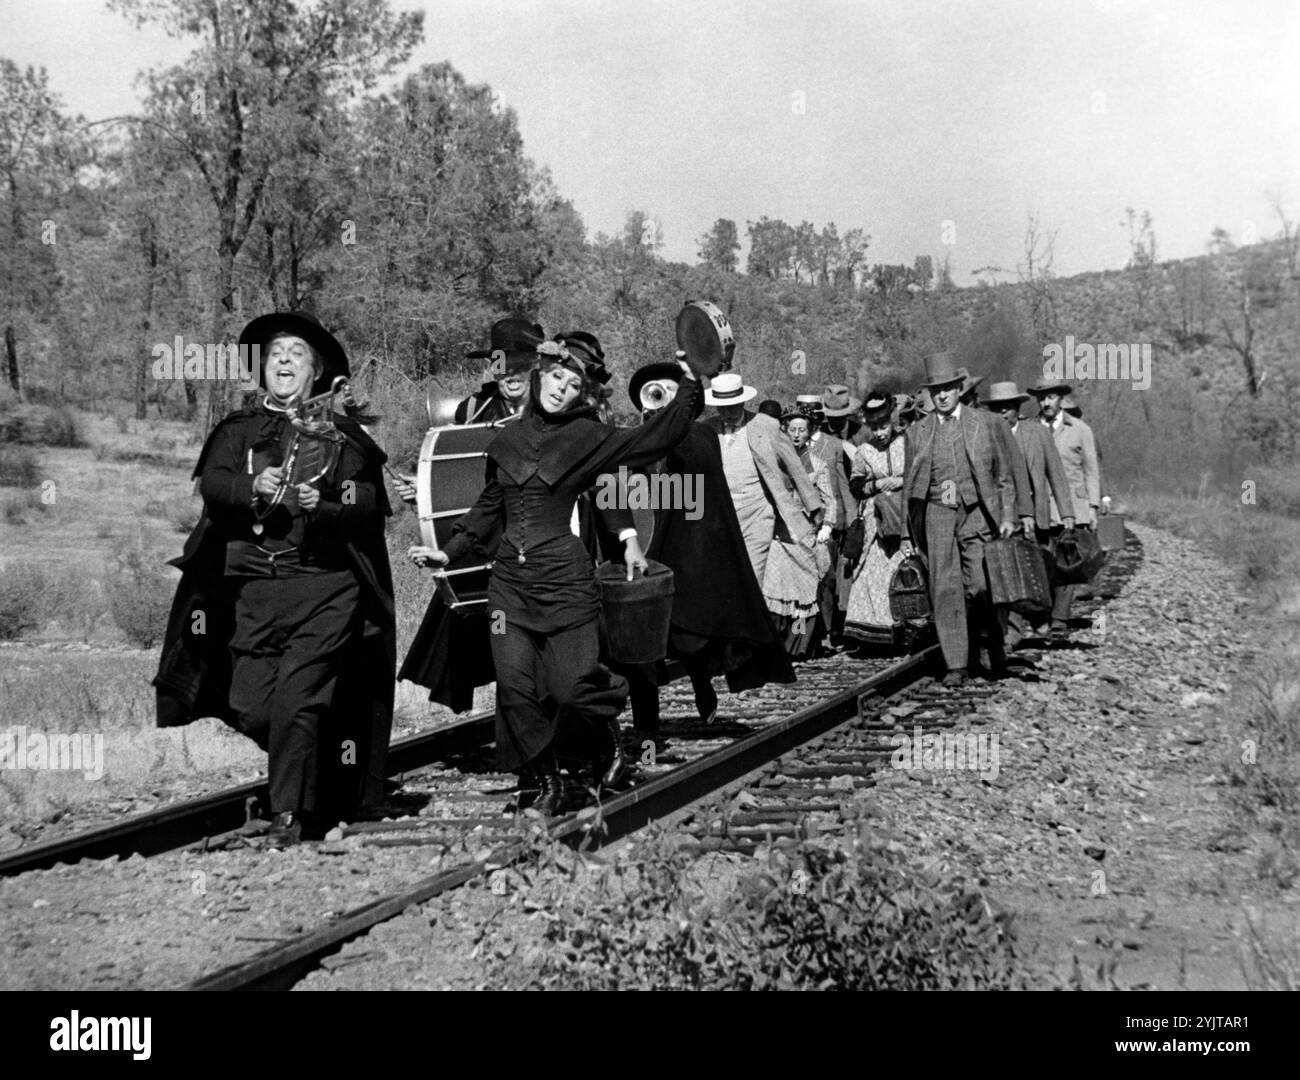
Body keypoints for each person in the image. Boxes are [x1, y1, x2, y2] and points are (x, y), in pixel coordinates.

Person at [409, 347, 700, 816]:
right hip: (509, 586)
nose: (561, 389)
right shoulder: (506, 439)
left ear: (581, 394)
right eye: (556, 378)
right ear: (540, 375)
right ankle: (548, 784)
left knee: (571, 686)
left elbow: (656, 437)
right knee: (515, 687)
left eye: (572, 386)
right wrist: (450, 551)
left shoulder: (589, 437)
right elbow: (488, 507)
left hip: (565, 582)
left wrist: (689, 384)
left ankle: (611, 742)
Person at [154, 312, 395, 846]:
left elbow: (369, 501)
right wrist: (249, 485)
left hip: (325, 589)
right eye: (275, 354)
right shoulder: (236, 431)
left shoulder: (344, 435)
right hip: (252, 590)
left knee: (296, 702)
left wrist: (328, 505)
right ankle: (319, 762)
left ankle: (289, 815)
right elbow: (213, 484)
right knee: (255, 706)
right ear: (263, 370)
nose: (284, 360)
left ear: (317, 371)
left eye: (297, 353)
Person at [616, 362, 795, 733]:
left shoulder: (699, 436)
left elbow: (696, 477)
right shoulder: (635, 438)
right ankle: (648, 723)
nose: (661, 397)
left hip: (691, 547)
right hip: (647, 545)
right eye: (656, 392)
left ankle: (701, 680)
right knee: (649, 635)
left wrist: (673, 423)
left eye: (671, 390)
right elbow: (622, 489)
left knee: (693, 629)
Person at [899, 351, 1016, 686]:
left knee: (981, 585)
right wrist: (908, 532)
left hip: (976, 513)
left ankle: (989, 648)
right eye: (936, 391)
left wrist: (1008, 514)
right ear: (929, 394)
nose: (942, 396)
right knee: (945, 588)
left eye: (948, 388)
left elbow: (1004, 475)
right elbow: (910, 482)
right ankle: (956, 665)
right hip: (937, 513)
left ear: (959, 388)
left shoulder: (986, 423)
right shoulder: (918, 432)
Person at [701, 372, 823, 587]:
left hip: (757, 514)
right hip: (720, 517)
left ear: (742, 401)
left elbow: (795, 467)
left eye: (732, 406)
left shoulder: (765, 425)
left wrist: (813, 506)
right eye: (721, 407)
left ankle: (749, 620)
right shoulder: (707, 429)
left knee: (751, 579)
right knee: (722, 578)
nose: (726, 412)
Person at [981, 381, 1074, 644]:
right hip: (1002, 514)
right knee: (1007, 571)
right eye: (997, 408)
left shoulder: (1036, 433)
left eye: (1008, 407)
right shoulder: (987, 436)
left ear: (1017, 407)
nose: (1003, 413)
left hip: (1037, 512)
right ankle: (1011, 631)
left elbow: (1055, 473)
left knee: (1038, 568)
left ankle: (1040, 615)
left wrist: (1066, 511)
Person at [1028, 379, 1100, 636]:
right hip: (1043, 506)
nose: (1045, 403)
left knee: (1067, 563)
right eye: (1041, 398)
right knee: (1044, 562)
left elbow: (1091, 470)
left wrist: (1093, 507)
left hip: (1074, 507)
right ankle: (1044, 613)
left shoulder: (1080, 429)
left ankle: (1060, 616)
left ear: (1060, 399)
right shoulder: (1032, 428)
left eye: (1050, 397)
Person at [765, 410, 835, 658]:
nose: (796, 435)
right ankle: (779, 644)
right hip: (779, 532)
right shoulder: (774, 461)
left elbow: (830, 499)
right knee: (777, 586)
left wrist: (827, 525)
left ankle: (800, 647)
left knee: (804, 591)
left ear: (810, 433)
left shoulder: (818, 464)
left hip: (806, 533)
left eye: (801, 430)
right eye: (791, 430)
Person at [844, 390, 907, 643]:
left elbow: (920, 474)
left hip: (903, 515)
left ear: (892, 420)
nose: (881, 433)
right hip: (875, 518)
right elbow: (855, 485)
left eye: (884, 426)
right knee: (871, 571)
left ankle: (907, 624)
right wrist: (877, 486)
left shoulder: (908, 443)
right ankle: (874, 631)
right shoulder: (864, 452)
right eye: (875, 428)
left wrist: (900, 481)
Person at [806, 388, 858, 646]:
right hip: (818, 516)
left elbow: (844, 484)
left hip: (844, 513)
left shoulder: (854, 435)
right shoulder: (811, 441)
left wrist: (853, 517)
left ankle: (842, 626)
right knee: (825, 575)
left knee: (842, 574)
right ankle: (826, 630)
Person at [454, 317, 541, 424]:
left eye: (520, 366)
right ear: (494, 369)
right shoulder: (471, 410)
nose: (511, 373)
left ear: (534, 366)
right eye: (503, 367)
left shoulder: (554, 406)